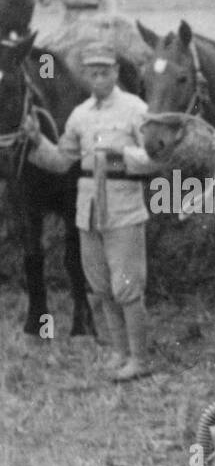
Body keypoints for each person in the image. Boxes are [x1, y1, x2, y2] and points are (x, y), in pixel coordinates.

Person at [25, 46, 153, 380]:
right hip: (89, 211)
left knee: (127, 286)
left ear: (116, 72)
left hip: (123, 207)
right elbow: (61, 160)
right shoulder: (80, 115)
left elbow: (155, 158)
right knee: (99, 287)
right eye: (92, 72)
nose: (99, 78)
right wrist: (36, 141)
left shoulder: (135, 109)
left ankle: (139, 358)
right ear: (86, 75)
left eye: (105, 71)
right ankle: (118, 352)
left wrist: (114, 157)